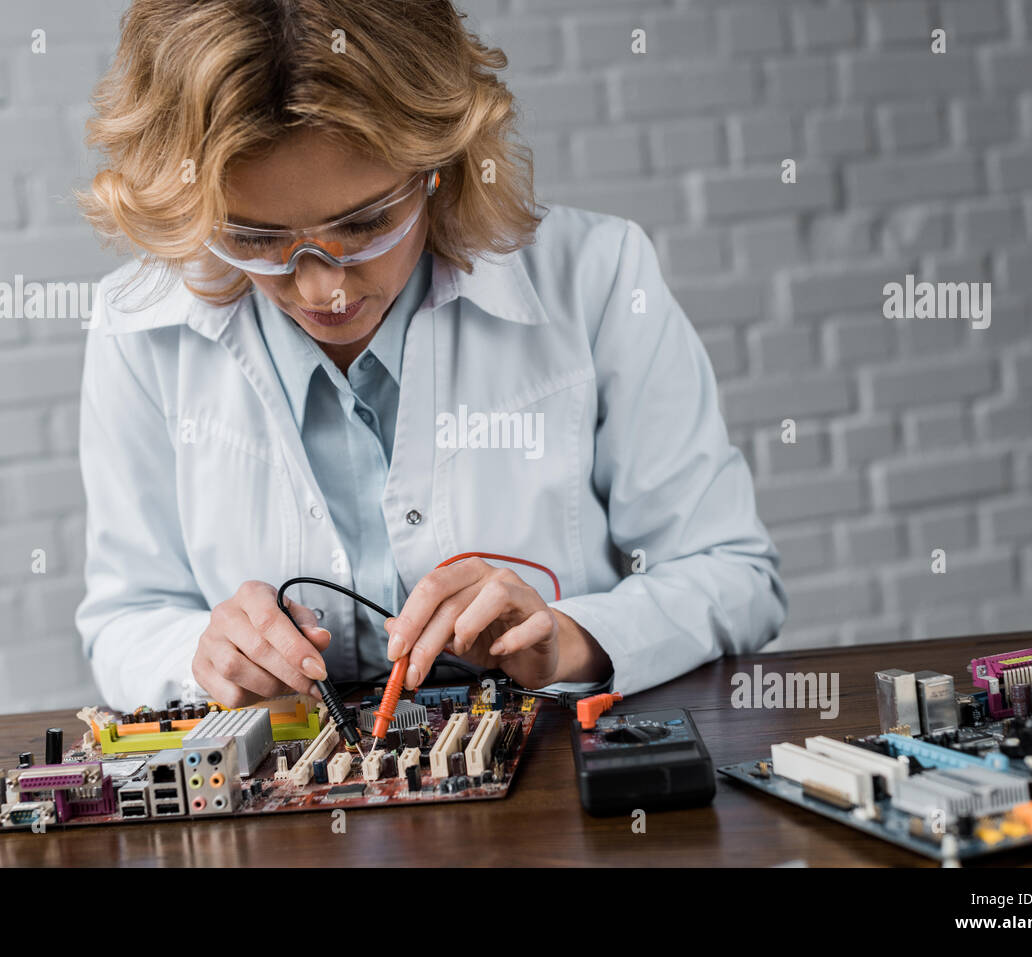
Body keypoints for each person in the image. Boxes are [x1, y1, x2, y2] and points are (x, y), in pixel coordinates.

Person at [74, 0, 787, 711]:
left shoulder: (597, 278)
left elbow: (733, 574)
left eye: (364, 223)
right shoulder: (138, 327)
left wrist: (568, 639)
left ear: (442, 163)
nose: (323, 288)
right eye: (257, 237)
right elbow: (124, 621)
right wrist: (201, 651)